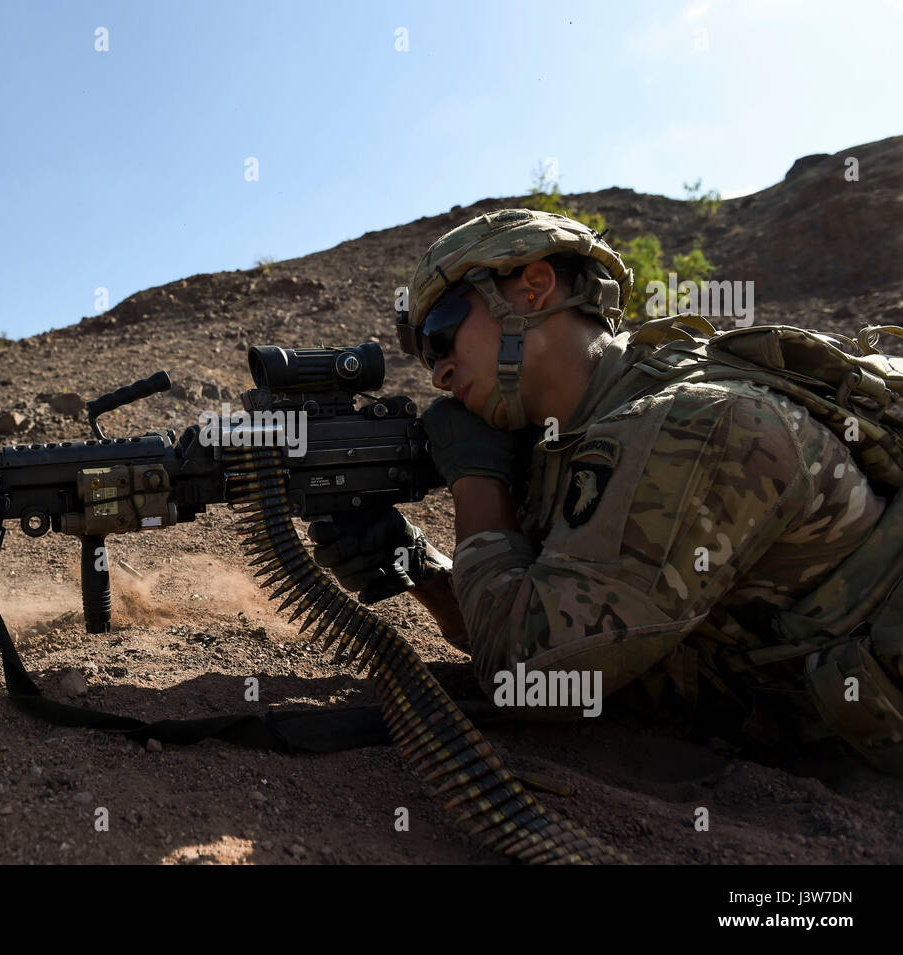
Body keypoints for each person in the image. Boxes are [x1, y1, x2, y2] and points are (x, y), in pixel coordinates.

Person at [310, 207, 903, 772]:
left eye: (440, 335)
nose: (437, 371)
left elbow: (530, 677)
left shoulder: (691, 426)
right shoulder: (573, 441)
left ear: (532, 288)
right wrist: (425, 572)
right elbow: (560, 613)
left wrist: (476, 479)